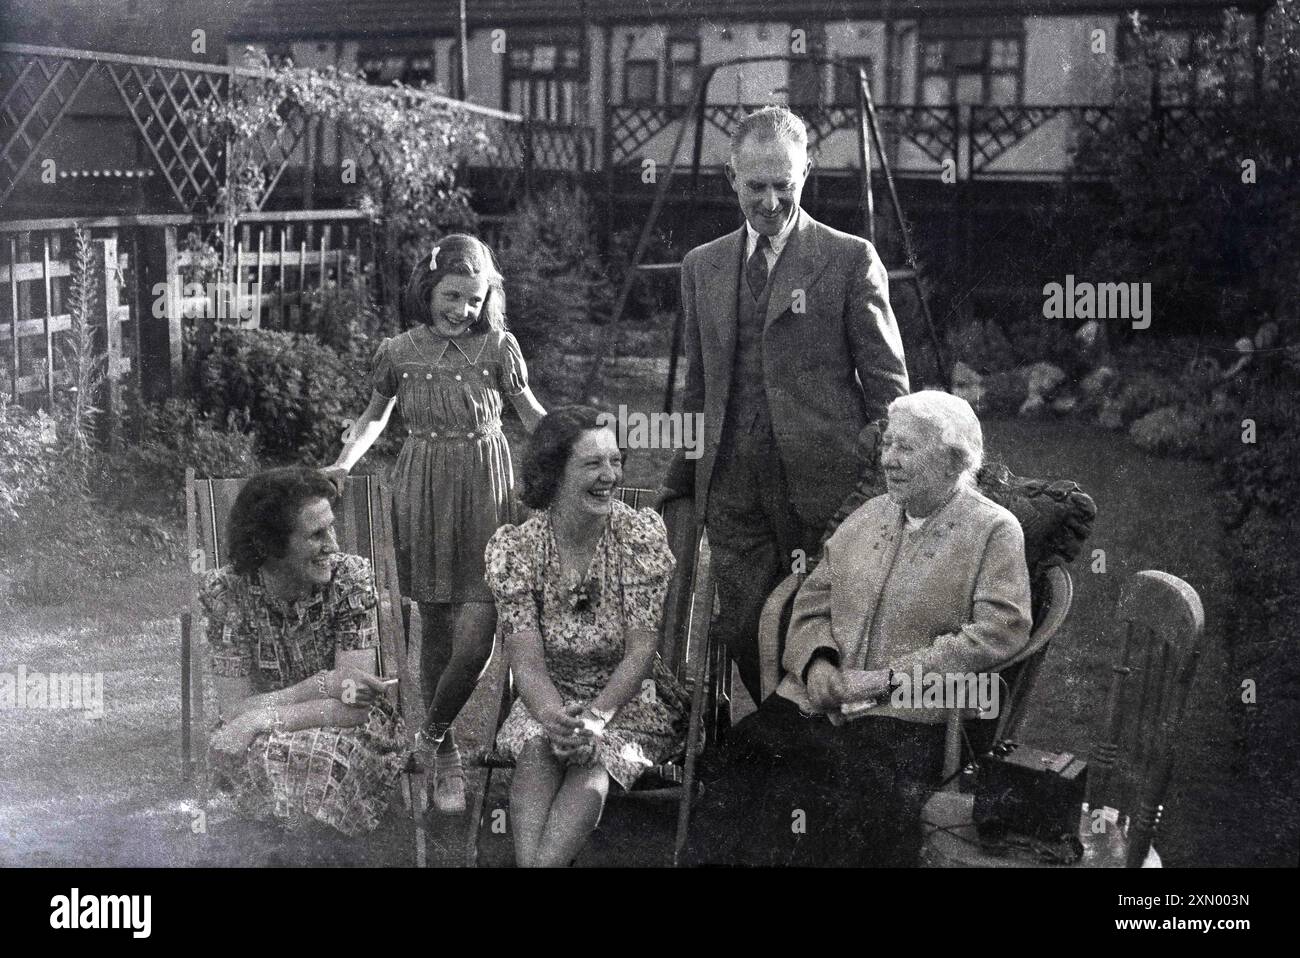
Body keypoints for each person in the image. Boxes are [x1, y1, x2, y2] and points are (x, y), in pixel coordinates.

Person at [683, 392, 1033, 866]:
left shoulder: (994, 531)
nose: (889, 460)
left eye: (906, 449)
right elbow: (812, 600)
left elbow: (1000, 629)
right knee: (745, 755)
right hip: (821, 697)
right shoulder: (868, 516)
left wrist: (890, 678)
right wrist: (817, 663)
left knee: (827, 791)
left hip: (910, 714)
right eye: (887, 446)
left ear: (955, 459)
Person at [659, 105, 910, 705]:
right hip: (734, 486)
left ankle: (809, 761)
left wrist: (881, 483)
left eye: (785, 186)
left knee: (821, 630)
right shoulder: (703, 266)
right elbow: (701, 386)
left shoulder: (849, 259)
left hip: (826, 485)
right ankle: (781, 750)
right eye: (756, 187)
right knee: (746, 627)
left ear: (806, 175)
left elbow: (889, 387)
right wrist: (684, 481)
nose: (770, 202)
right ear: (731, 178)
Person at [325, 234, 546, 814]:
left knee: (480, 630)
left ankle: (424, 737)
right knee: (437, 625)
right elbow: (373, 419)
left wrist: (581, 444)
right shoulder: (399, 352)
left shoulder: (499, 348)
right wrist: (344, 462)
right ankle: (446, 755)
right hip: (422, 485)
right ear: (428, 289)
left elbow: (530, 416)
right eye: (451, 296)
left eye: (474, 300)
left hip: (487, 487)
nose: (461, 311)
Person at [485, 406, 688, 867]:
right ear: (555, 472)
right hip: (548, 696)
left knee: (595, 761)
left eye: (616, 461)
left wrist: (595, 719)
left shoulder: (637, 538)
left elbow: (641, 652)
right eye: (593, 464)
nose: (610, 475)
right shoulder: (517, 548)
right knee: (539, 750)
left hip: (629, 701)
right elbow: (527, 662)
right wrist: (558, 718)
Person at [201, 466, 407, 837]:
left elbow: (352, 705)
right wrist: (324, 682)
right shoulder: (227, 593)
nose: (333, 545)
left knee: (316, 762)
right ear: (270, 546)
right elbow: (235, 710)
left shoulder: (349, 580)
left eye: (332, 527)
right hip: (274, 726)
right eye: (316, 534)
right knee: (270, 757)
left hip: (350, 727)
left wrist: (261, 717)